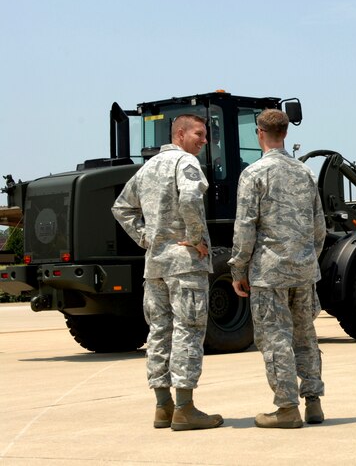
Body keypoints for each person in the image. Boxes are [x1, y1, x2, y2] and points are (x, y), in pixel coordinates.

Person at [112, 114, 223, 431]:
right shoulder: (184, 163)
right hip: (184, 265)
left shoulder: (147, 168)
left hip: (156, 266)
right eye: (199, 134)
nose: (204, 141)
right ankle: (185, 409)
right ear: (180, 134)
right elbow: (189, 197)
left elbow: (122, 207)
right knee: (188, 331)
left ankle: (163, 407)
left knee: (159, 334)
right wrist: (198, 237)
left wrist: (147, 238)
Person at [228, 108, 326, 429]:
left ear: (260, 133)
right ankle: (313, 402)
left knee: (275, 338)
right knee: (305, 335)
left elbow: (245, 227)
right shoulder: (305, 173)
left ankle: (286, 408)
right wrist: (308, 260)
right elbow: (318, 228)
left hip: (269, 273)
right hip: (304, 271)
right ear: (285, 134)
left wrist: (238, 270)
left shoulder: (254, 174)